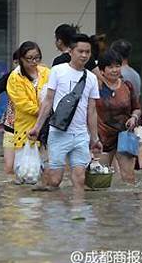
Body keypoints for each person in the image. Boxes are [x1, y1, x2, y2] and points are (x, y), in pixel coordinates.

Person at [28, 34, 102, 194]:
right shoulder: (57, 71)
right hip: (59, 133)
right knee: (55, 181)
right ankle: (55, 214)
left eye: (87, 52)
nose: (84, 55)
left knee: (80, 178)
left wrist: (95, 138)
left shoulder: (91, 78)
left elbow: (92, 109)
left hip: (81, 134)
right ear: (70, 51)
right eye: (80, 51)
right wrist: (37, 127)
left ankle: (78, 214)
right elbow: (48, 101)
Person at [96, 50, 141, 184]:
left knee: (129, 179)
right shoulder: (96, 86)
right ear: (102, 70)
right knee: (99, 180)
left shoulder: (127, 86)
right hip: (103, 138)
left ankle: (128, 204)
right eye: (110, 67)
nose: (115, 70)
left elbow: (137, 108)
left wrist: (133, 117)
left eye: (117, 66)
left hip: (125, 136)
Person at [7, 42, 50, 179]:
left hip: (48, 127)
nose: (34, 62)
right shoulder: (15, 77)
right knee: (25, 171)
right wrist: (44, 112)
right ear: (21, 59)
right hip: (26, 127)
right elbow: (22, 103)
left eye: (37, 58)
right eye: (29, 58)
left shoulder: (46, 72)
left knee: (49, 168)